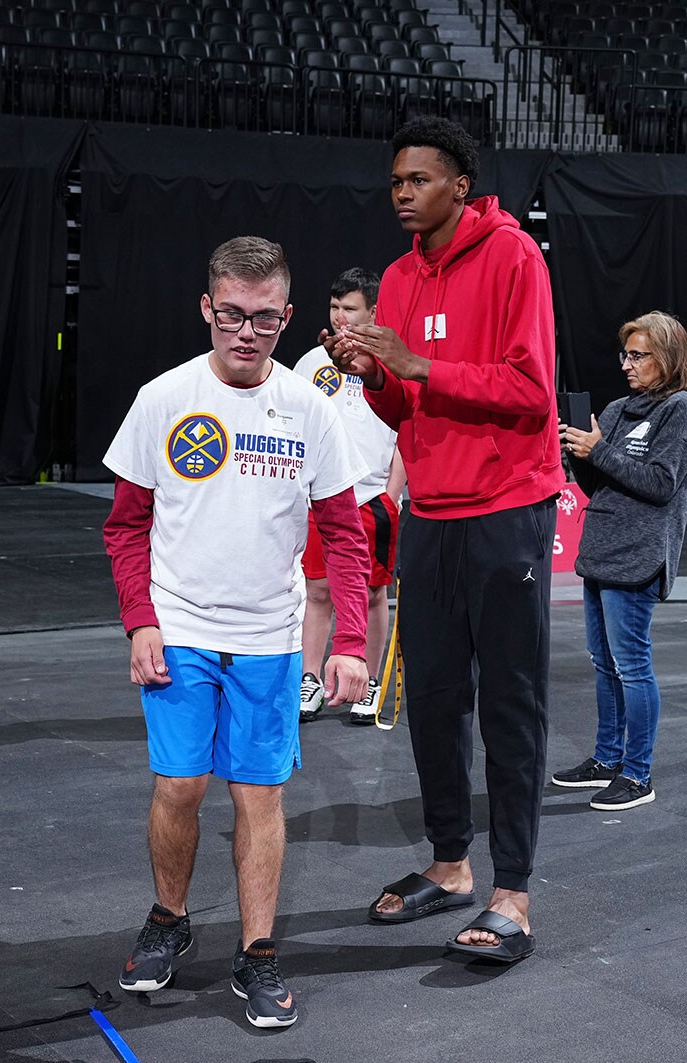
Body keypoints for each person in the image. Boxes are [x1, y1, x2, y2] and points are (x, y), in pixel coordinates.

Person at [102, 237, 370, 1028]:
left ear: (286, 318)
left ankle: (256, 956)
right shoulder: (162, 396)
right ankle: (168, 919)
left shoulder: (311, 409)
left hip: (271, 637)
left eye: (261, 318)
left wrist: (349, 640)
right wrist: (139, 622)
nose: (244, 332)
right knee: (179, 786)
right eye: (229, 315)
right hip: (178, 625)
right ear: (206, 309)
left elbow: (345, 536)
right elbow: (124, 527)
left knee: (259, 795)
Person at [328, 117, 564, 963]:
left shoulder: (512, 256)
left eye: (418, 180)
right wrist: (375, 377)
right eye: (394, 181)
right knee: (429, 698)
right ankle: (450, 865)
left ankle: (513, 892)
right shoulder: (396, 275)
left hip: (505, 509)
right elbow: (402, 410)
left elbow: (533, 393)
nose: (402, 192)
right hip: (430, 511)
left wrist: (419, 365)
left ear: (458, 186)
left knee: (508, 702)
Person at [552, 311, 687, 810]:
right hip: (602, 549)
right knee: (604, 664)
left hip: (639, 556)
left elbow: (660, 484)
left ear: (666, 357)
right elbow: (597, 487)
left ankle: (638, 774)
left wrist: (601, 451)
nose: (627, 364)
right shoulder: (615, 410)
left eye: (639, 355)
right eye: (625, 355)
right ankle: (607, 759)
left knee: (632, 666)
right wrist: (581, 456)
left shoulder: (679, 409)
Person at [294, 267, 406, 724]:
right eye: (335, 308)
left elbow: (407, 428)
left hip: (372, 499)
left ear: (373, 312)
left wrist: (391, 495)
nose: (341, 318)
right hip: (321, 499)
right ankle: (311, 678)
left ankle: (370, 678)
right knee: (317, 591)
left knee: (373, 593)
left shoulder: (392, 360)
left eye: (351, 309)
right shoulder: (311, 363)